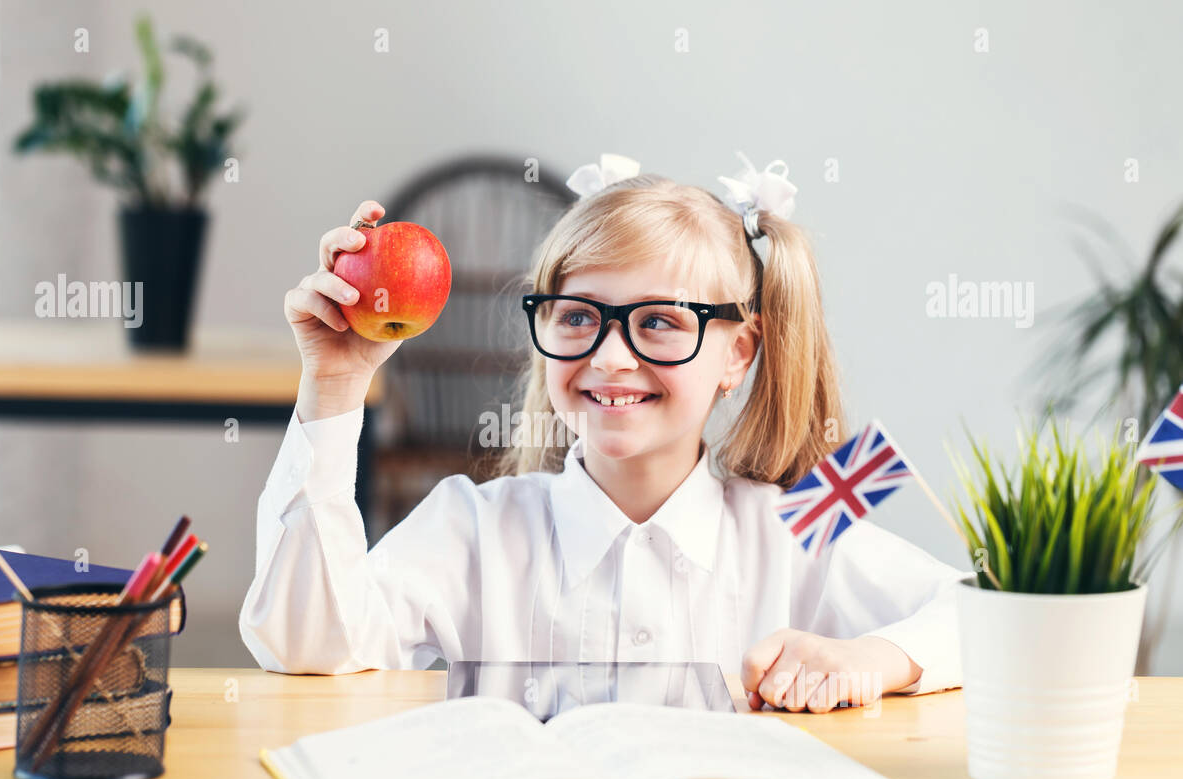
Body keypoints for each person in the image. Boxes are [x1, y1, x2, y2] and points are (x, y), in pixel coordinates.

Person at [239, 152, 966, 713]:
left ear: (737, 353)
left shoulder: (797, 526)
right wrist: (334, 387)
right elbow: (308, 644)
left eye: (658, 322)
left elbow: (985, 610)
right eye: (579, 316)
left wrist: (875, 657)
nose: (611, 356)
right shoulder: (473, 527)